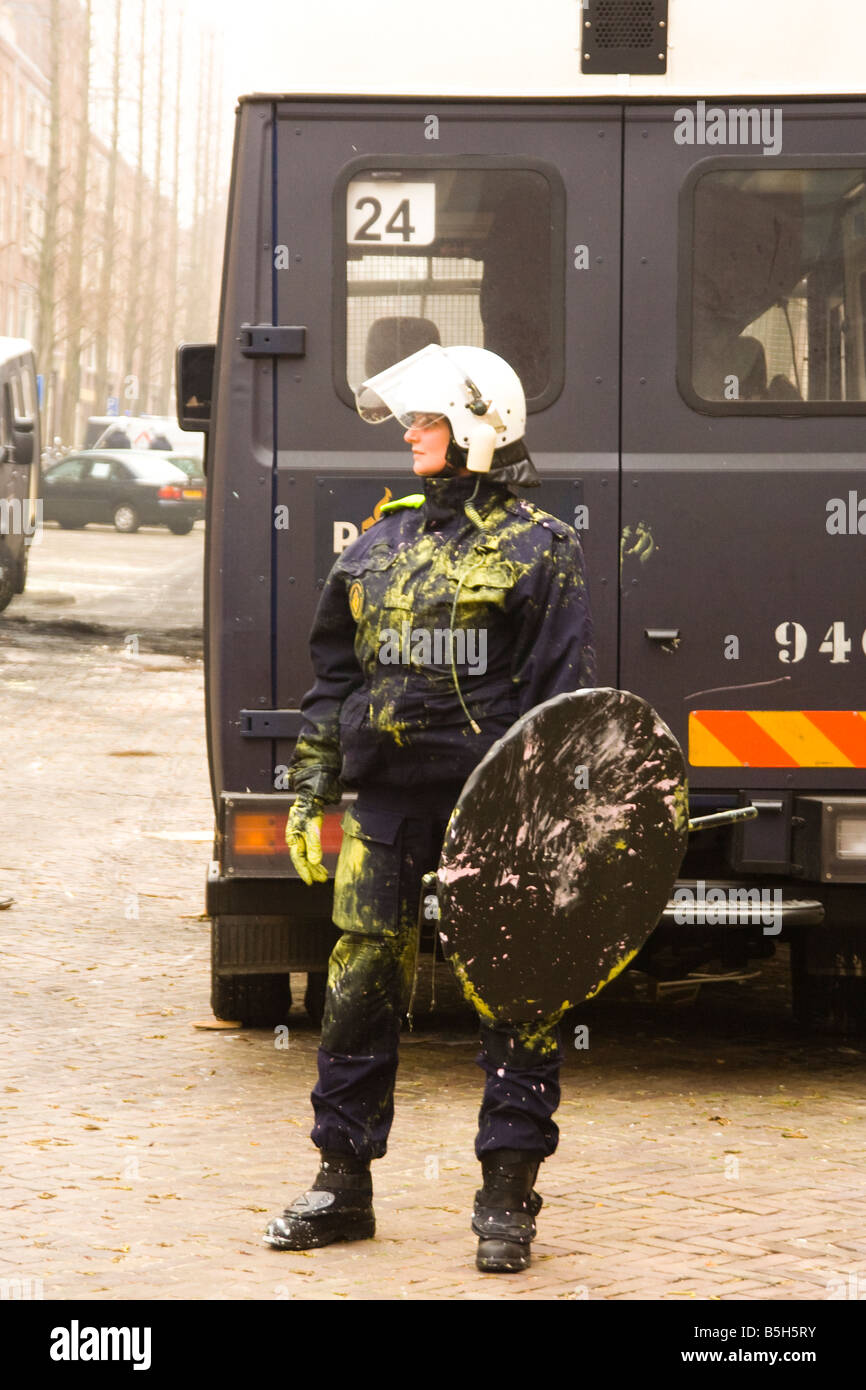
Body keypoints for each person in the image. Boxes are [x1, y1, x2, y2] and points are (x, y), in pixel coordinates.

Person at [264, 344, 596, 1272]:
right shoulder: (379, 542)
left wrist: (553, 822)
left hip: (498, 812)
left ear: (481, 431)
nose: (410, 434)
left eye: (429, 421)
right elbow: (334, 675)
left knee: (516, 990)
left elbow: (565, 699)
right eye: (411, 421)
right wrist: (312, 782)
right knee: (358, 984)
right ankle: (341, 1183)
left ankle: (507, 1196)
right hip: (384, 808)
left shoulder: (542, 550)